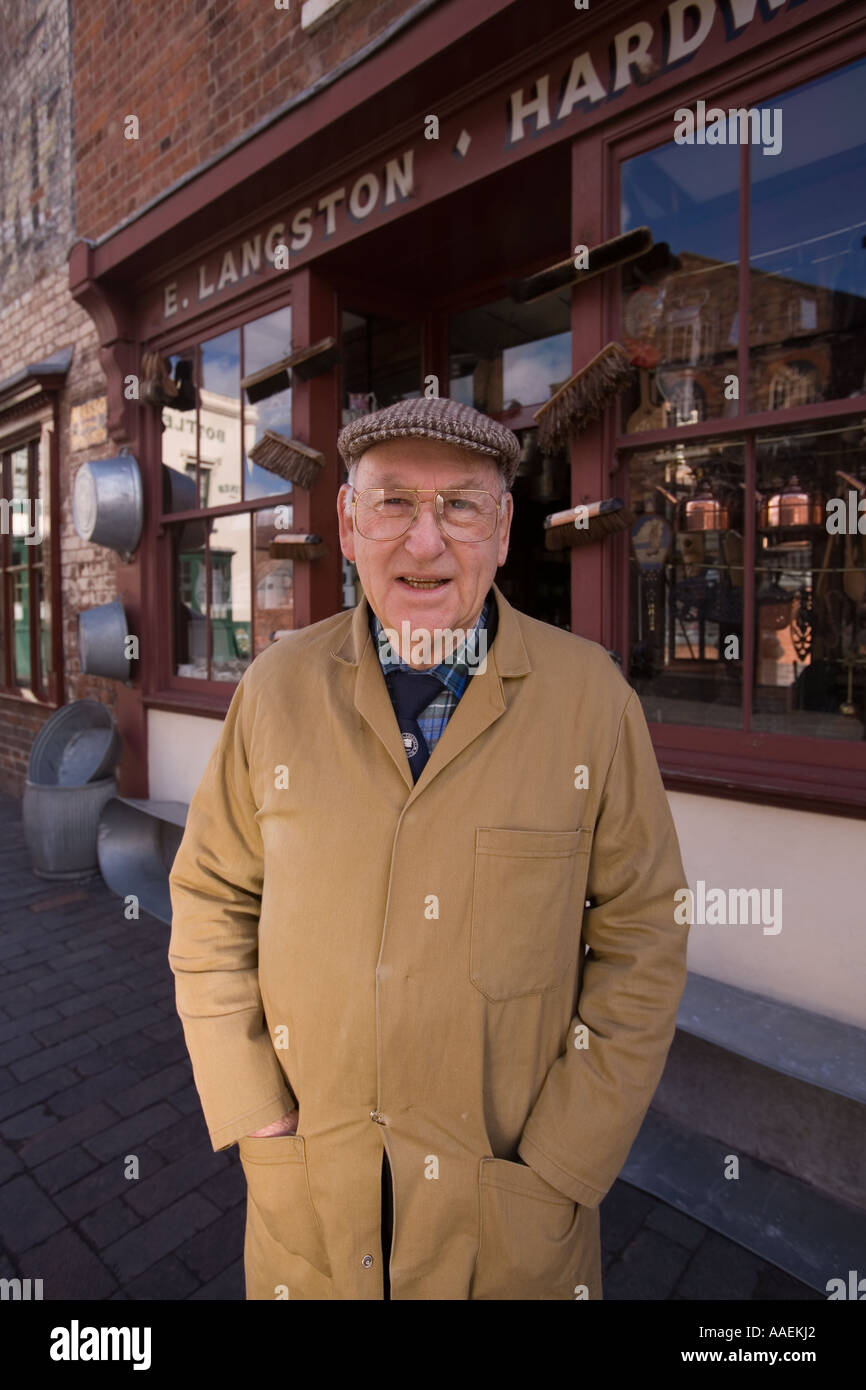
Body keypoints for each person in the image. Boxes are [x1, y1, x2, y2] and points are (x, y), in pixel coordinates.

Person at [168, 395, 689, 1301]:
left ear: (502, 529)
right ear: (346, 523)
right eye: (394, 502)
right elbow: (212, 899)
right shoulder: (275, 690)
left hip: (510, 1233)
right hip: (312, 1221)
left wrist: (562, 1162)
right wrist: (258, 1116)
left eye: (458, 506)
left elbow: (645, 934)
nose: (424, 543)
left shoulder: (590, 700)